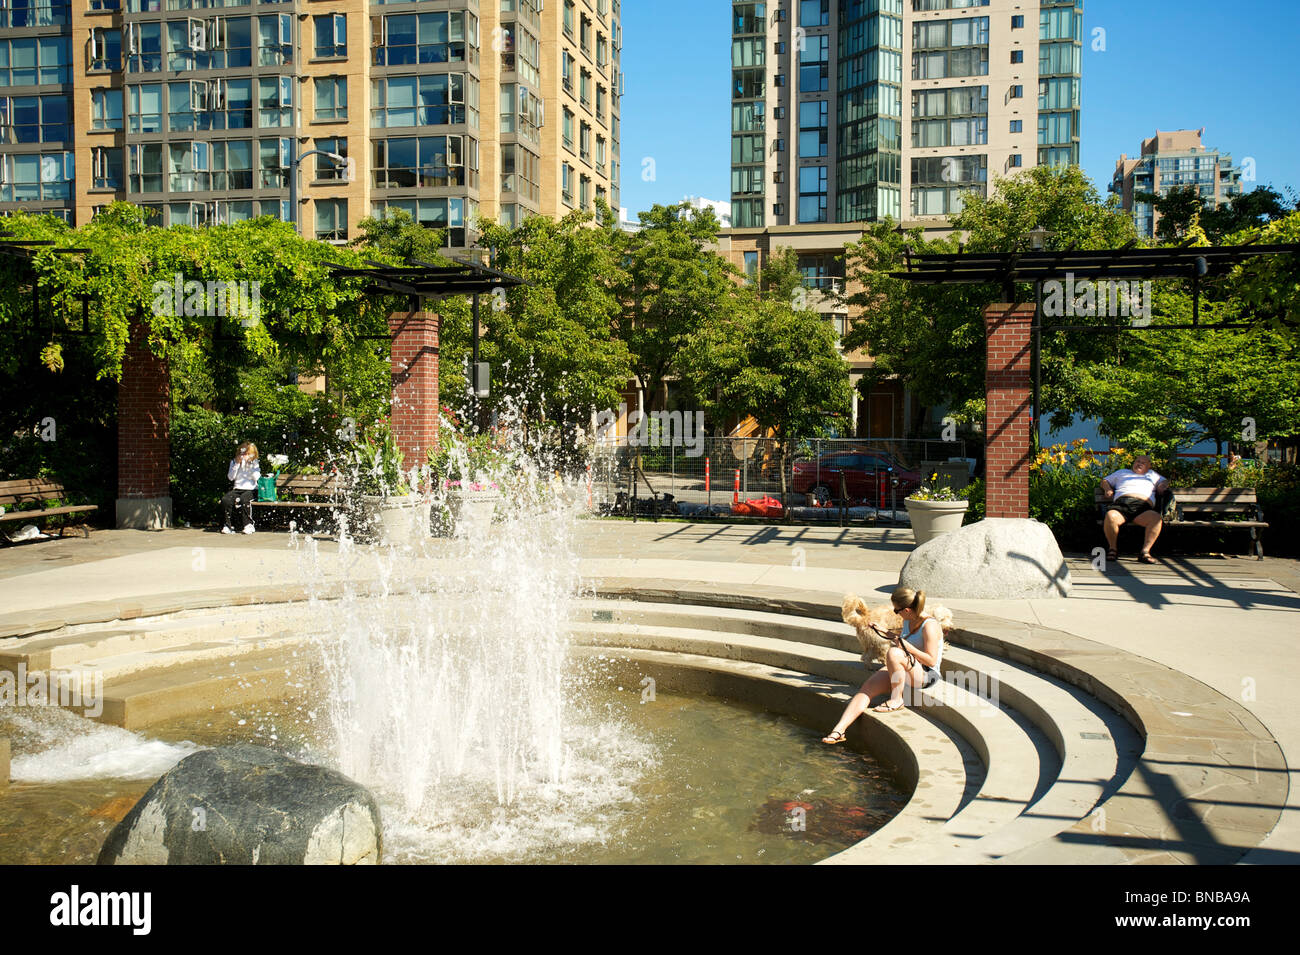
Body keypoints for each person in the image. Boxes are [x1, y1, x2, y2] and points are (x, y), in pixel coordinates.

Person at [822, 587, 944, 743]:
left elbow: (931, 660)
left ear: (906, 610)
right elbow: (901, 640)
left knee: (893, 653)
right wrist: (884, 631)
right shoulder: (908, 619)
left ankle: (897, 699)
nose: (895, 612)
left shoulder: (929, 626)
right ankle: (839, 731)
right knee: (866, 689)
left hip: (926, 674)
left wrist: (904, 645)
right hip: (905, 666)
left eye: (896, 610)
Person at [1100, 454, 1169, 564]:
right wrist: (1107, 489)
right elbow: (1104, 481)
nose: (1139, 464)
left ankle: (1145, 552)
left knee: (1156, 519)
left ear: (1148, 466)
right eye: (1137, 461)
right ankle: (1112, 549)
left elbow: (1165, 481)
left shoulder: (1152, 475)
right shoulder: (1122, 472)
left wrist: (1162, 486)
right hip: (1122, 504)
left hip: (1142, 507)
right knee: (1110, 516)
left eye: (1143, 462)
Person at [221, 441, 261, 534]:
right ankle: (228, 525)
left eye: (248, 454)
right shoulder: (234, 462)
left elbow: (257, 477)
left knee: (244, 499)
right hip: (237, 489)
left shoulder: (255, 463)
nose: (245, 456)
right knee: (225, 499)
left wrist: (250, 465)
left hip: (251, 489)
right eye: (243, 453)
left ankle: (248, 525)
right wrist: (237, 464)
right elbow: (231, 477)